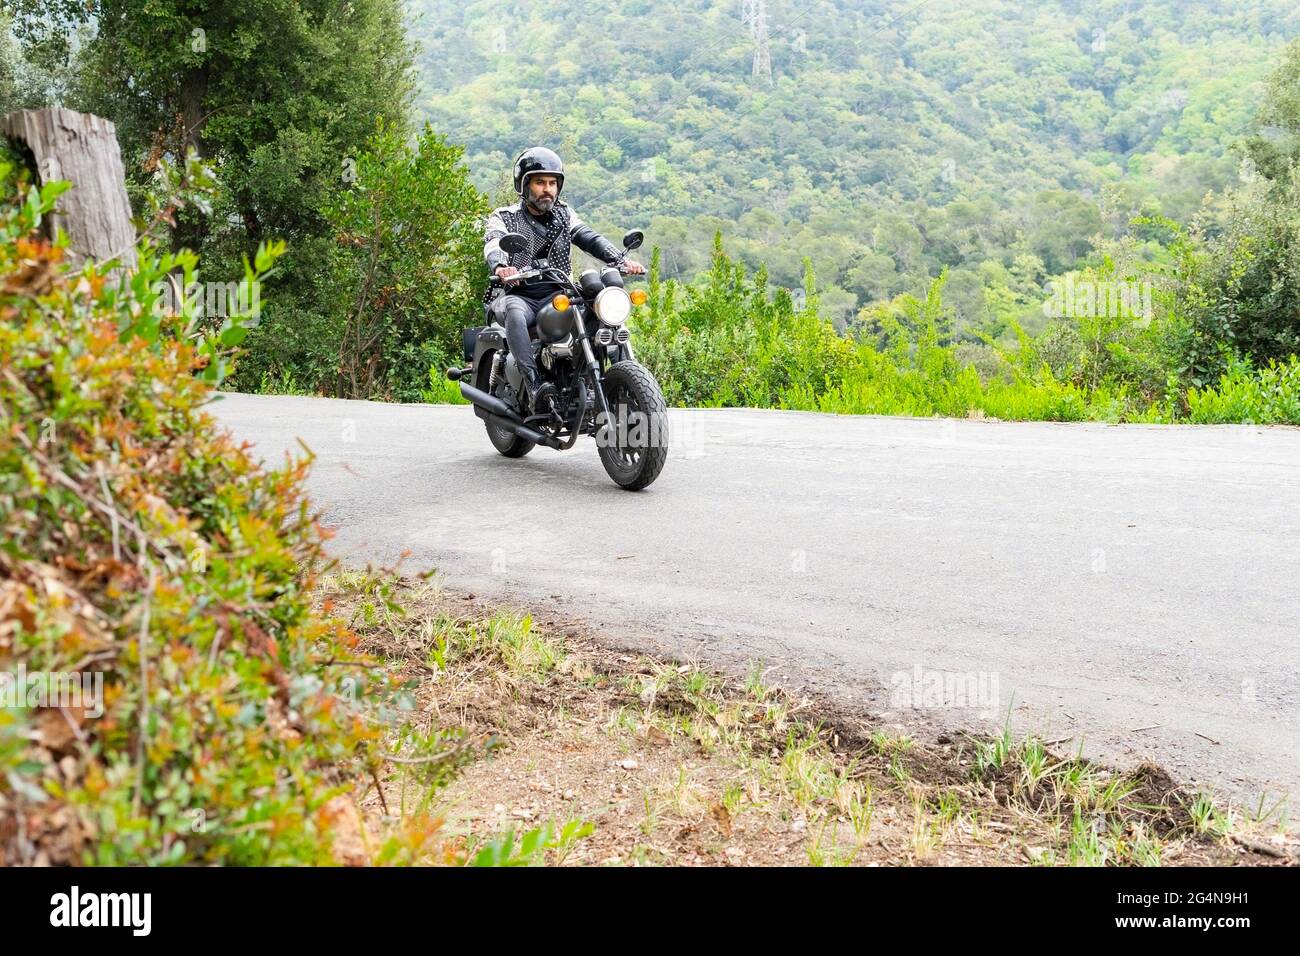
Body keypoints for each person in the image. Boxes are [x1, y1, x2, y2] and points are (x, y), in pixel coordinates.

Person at [482, 146, 645, 411]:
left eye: (552, 183)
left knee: (598, 303)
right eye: (539, 182)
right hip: (520, 294)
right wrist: (501, 266)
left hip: (558, 294)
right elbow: (493, 242)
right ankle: (534, 386)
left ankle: (597, 375)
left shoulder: (565, 215)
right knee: (514, 312)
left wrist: (620, 260)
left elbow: (589, 237)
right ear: (524, 185)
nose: (547, 189)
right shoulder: (505, 217)